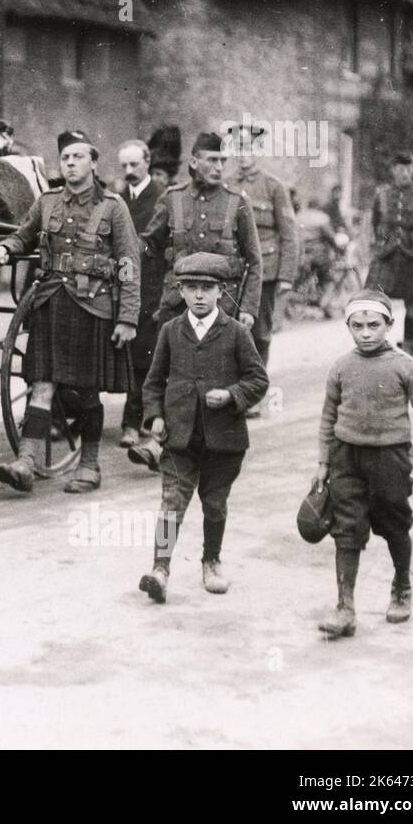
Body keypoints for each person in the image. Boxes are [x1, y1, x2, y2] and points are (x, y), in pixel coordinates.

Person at [0, 130, 141, 495]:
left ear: (93, 162)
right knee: (41, 384)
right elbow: (23, 235)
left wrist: (128, 317)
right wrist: (6, 249)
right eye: (66, 158)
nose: (71, 163)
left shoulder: (113, 207)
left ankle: (89, 466)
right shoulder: (47, 202)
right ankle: (25, 462)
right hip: (52, 304)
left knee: (87, 392)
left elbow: (128, 263)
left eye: (78, 157)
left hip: (94, 309)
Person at [137, 253, 269, 604]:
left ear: (221, 292)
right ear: (179, 290)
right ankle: (160, 569)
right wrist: (156, 417)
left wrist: (230, 395)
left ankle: (211, 561)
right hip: (179, 437)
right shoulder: (170, 331)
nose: (199, 295)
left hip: (223, 440)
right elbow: (153, 383)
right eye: (191, 288)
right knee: (171, 503)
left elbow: (258, 380)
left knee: (214, 504)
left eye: (207, 288)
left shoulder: (237, 333)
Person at [313, 289, 413, 638]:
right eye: (358, 326)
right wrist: (324, 462)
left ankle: (402, 587)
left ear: (389, 324)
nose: (366, 333)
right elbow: (328, 417)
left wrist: (411, 458)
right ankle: (345, 607)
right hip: (346, 459)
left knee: (395, 525)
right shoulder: (341, 367)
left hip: (390, 460)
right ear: (348, 327)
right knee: (346, 528)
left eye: (373, 325)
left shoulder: (404, 366)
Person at [131, 132, 261, 472]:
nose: (219, 167)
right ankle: (159, 441)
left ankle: (193, 446)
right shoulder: (173, 199)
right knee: (171, 372)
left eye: (222, 161)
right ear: (193, 162)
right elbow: (150, 244)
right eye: (212, 160)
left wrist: (247, 309)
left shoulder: (237, 202)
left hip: (222, 307)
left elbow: (254, 261)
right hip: (176, 302)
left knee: (211, 376)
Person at [227, 125, 299, 405]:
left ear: (259, 150)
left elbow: (289, 234)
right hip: (234, 271)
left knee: (259, 335)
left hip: (266, 273)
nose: (243, 154)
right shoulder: (227, 183)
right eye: (238, 148)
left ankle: (253, 394)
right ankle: (234, 391)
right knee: (231, 332)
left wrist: (286, 277)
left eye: (248, 148)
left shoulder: (274, 187)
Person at [115, 139, 166, 457]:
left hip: (151, 285)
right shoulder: (117, 199)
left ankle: (133, 423)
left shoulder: (161, 198)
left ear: (148, 162)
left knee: (142, 357)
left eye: (135, 165)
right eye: (124, 166)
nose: (129, 171)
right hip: (122, 283)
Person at [366, 152, 413, 356]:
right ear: (393, 171)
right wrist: (378, 245)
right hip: (387, 255)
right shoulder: (382, 194)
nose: (404, 173)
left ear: (412, 170)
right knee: (374, 301)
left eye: (408, 169)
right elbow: (374, 224)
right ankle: (374, 347)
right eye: (400, 169)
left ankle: (409, 345)